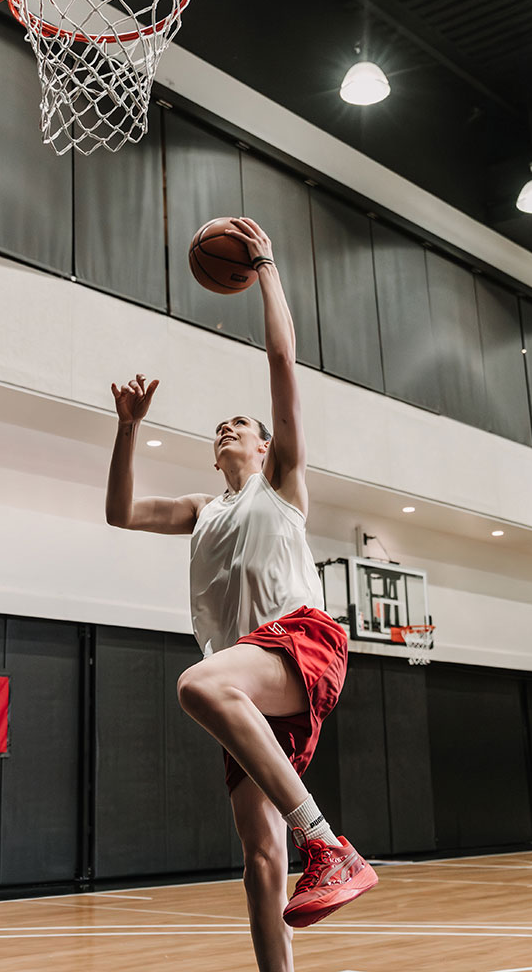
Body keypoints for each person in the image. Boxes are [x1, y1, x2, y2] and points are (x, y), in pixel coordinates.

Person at [104, 217, 377, 971]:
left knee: (196, 684)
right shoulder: (202, 509)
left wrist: (267, 269)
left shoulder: (281, 485)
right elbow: (120, 513)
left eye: (242, 425)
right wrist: (128, 430)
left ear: (265, 446)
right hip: (248, 685)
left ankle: (328, 845)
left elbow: (283, 360)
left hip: (299, 643)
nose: (228, 428)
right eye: (219, 427)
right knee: (260, 860)